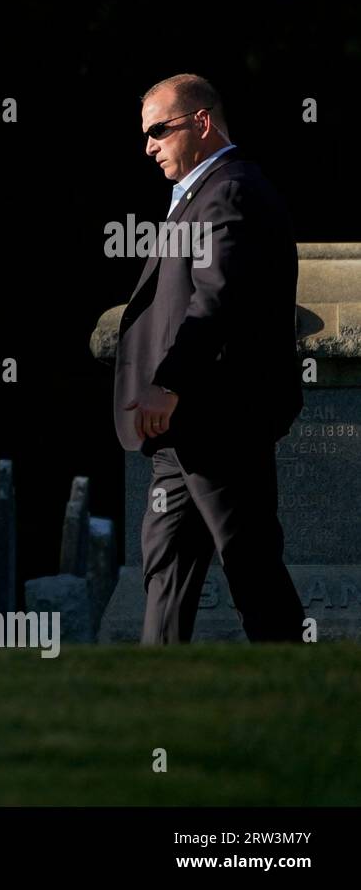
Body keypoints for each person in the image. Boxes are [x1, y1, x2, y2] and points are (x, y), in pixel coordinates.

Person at [116, 73, 305, 643]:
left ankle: (289, 674)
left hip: (219, 418)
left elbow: (217, 299)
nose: (149, 145)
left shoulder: (230, 191)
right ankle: (156, 687)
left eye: (159, 130)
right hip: (185, 426)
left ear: (201, 123)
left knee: (249, 562)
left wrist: (168, 382)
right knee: (166, 562)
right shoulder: (204, 192)